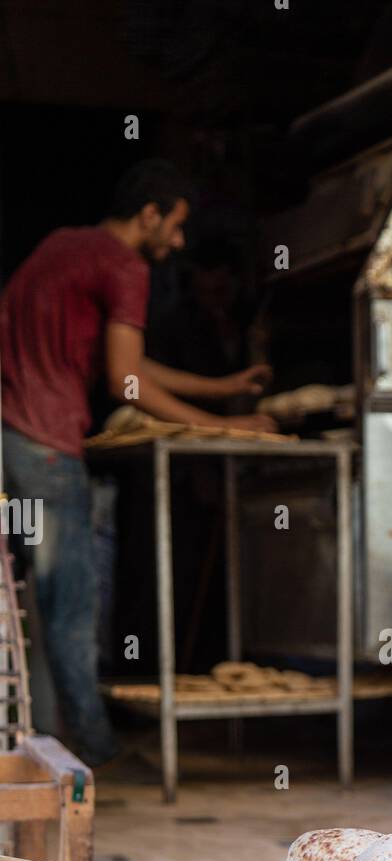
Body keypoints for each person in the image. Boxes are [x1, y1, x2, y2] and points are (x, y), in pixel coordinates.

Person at [0, 159, 275, 765]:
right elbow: (127, 383)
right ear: (149, 214)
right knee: (70, 611)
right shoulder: (123, 264)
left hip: (9, 440)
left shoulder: (60, 247)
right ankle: (98, 758)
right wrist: (229, 427)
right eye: (175, 226)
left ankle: (40, 750)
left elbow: (126, 364)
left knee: (26, 612)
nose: (177, 243)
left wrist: (220, 385)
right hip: (47, 447)